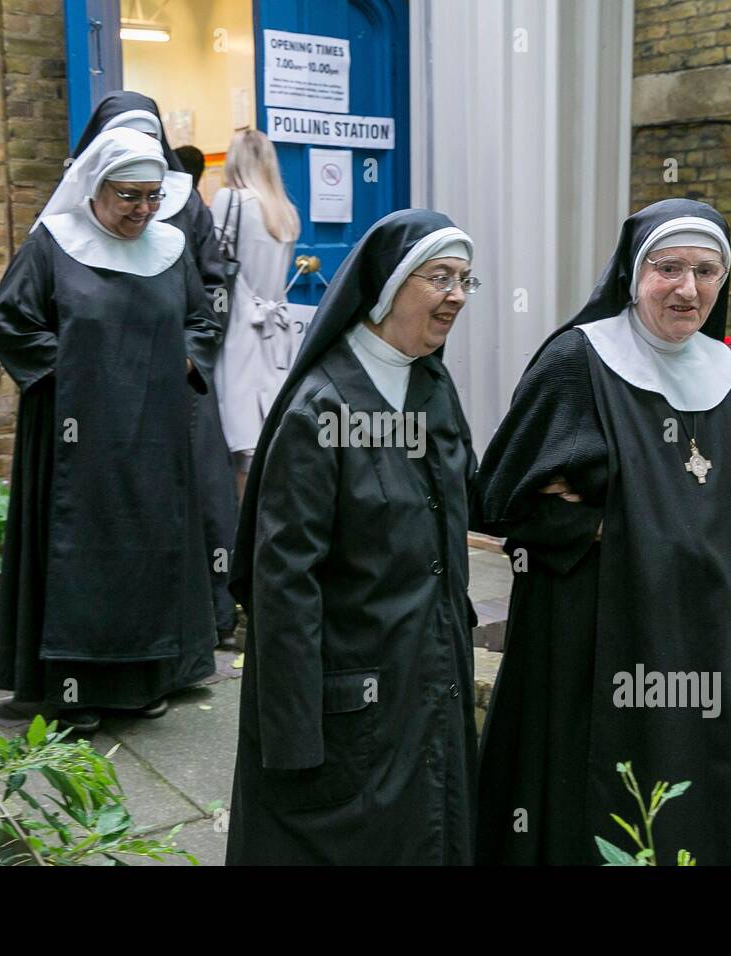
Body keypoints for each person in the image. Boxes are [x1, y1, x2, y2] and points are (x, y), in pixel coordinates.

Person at [470, 198, 731, 865]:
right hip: (594, 630)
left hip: (705, 633)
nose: (688, 288)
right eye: (668, 268)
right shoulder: (576, 362)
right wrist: (595, 522)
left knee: (702, 789)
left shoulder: (721, 372)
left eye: (706, 271)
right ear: (634, 274)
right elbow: (498, 497)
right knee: (599, 798)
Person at [226, 210, 483, 865]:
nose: (456, 294)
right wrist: (290, 731)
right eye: (441, 277)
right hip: (353, 693)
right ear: (390, 285)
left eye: (466, 280)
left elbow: (471, 496)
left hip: (428, 675)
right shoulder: (325, 407)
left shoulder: (432, 386)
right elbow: (283, 579)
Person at [0, 128, 222, 734]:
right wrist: (79, 372)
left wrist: (189, 358)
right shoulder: (52, 245)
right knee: (83, 552)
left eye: (151, 196)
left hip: (153, 431)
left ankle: (145, 681)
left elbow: (201, 319)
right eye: (128, 197)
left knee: (150, 548)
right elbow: (12, 322)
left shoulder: (170, 246)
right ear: (96, 188)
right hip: (76, 433)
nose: (142, 210)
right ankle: (74, 691)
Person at [68, 92, 240, 646]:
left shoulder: (186, 204)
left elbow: (213, 287)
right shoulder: (74, 207)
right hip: (105, 391)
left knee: (200, 496)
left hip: (176, 385)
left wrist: (192, 354)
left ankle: (211, 617)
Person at [210, 129, 300, 498]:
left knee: (238, 437)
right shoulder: (285, 211)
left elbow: (211, 263)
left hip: (238, 329)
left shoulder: (230, 201)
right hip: (276, 331)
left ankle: (238, 534)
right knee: (268, 432)